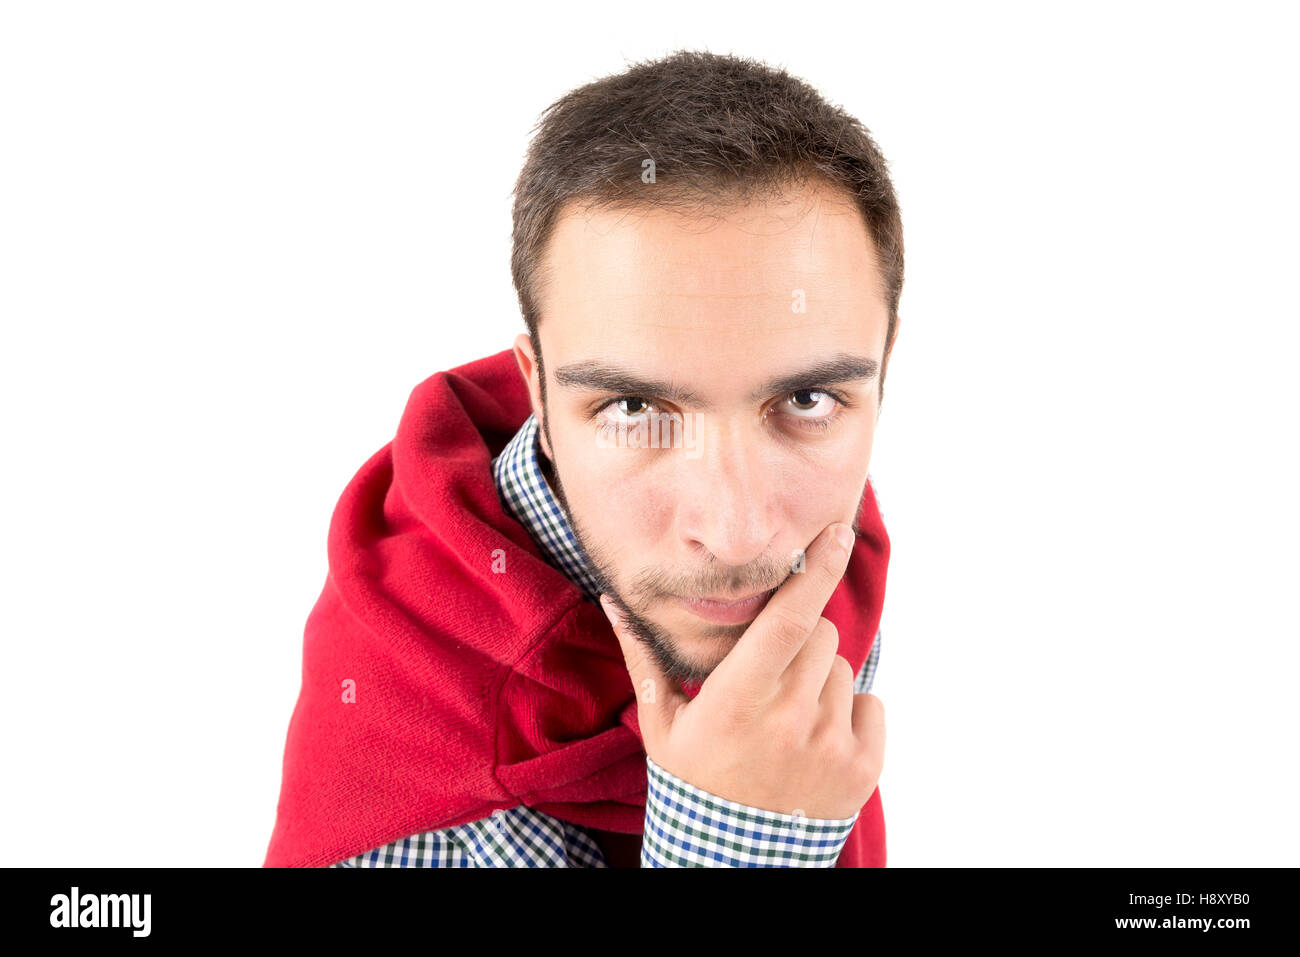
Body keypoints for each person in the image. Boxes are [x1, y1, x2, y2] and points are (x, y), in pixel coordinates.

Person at [264, 48, 903, 868]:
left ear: (881, 370)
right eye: (636, 409)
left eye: (806, 400)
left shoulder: (836, 547)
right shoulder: (431, 831)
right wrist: (743, 839)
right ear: (538, 396)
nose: (738, 532)